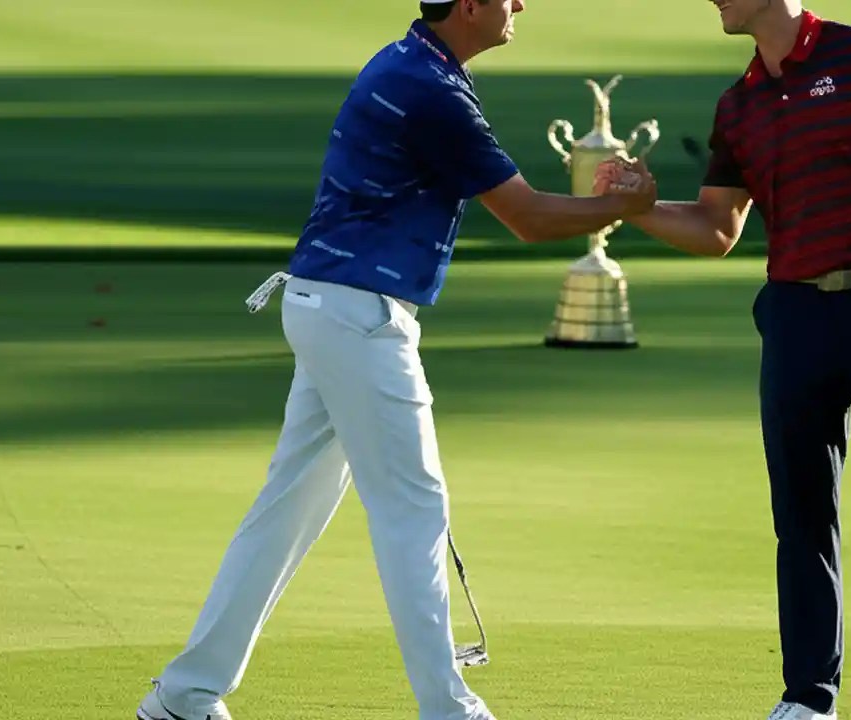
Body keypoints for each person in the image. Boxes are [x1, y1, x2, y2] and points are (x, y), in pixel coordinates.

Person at [134, 2, 656, 719]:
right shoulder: (432, 89)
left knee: (287, 513)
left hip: (328, 304)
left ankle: (185, 696)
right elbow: (528, 216)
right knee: (414, 511)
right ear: (468, 6)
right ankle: (449, 709)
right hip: (359, 316)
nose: (520, 4)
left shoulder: (413, 65)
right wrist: (628, 207)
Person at [595, 1, 851, 719]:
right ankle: (810, 697)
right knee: (801, 511)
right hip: (795, 315)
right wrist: (640, 207)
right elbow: (718, 227)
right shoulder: (740, 104)